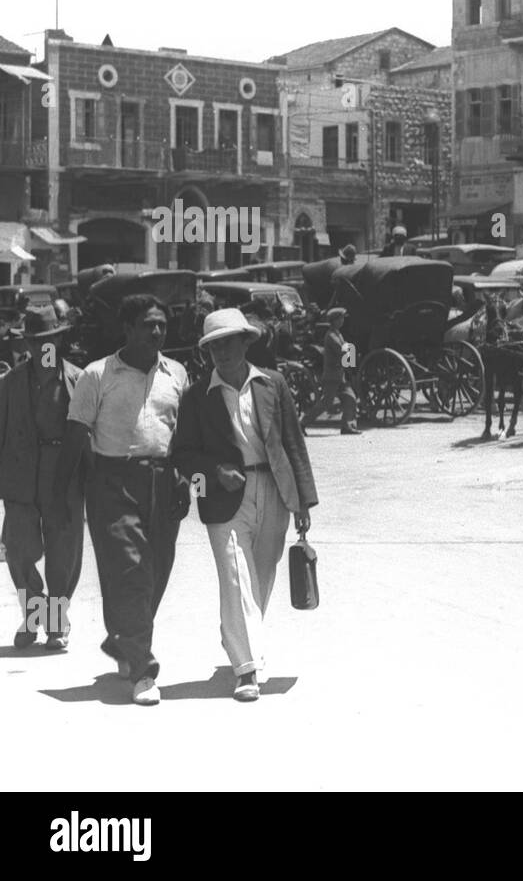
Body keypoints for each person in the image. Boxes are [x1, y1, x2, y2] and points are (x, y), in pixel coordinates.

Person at [173, 309, 317, 702]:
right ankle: (247, 669)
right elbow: (182, 455)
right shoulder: (197, 397)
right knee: (236, 576)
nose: (222, 351)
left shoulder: (274, 384)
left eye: (229, 342)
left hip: (274, 490)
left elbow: (293, 444)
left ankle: (238, 639)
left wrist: (304, 499)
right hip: (223, 497)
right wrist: (214, 471)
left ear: (246, 342)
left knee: (262, 575)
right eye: (214, 346)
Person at [53, 294, 190, 706]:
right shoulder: (97, 375)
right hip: (112, 483)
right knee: (131, 570)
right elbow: (76, 437)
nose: (157, 331)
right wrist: (61, 496)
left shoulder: (177, 374)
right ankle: (144, 671)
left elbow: (186, 435)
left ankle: (122, 641)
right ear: (127, 328)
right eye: (148, 324)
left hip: (164, 480)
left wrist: (188, 480)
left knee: (157, 570)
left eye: (162, 324)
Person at [0, 304, 85, 650]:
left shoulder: (78, 379)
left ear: (59, 339)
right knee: (18, 550)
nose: (41, 348)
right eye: (35, 342)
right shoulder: (9, 383)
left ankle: (55, 622)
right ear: (27, 345)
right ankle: (35, 614)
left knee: (64, 555)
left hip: (63, 476)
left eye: (48, 340)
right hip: (21, 476)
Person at [301, 307, 361, 435]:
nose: (342, 321)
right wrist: (353, 352)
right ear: (334, 321)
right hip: (332, 376)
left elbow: (347, 354)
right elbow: (344, 351)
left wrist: (351, 356)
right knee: (325, 403)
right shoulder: (331, 336)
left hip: (340, 376)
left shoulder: (338, 334)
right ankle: (302, 423)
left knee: (350, 398)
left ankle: (347, 426)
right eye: (340, 318)